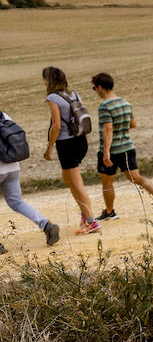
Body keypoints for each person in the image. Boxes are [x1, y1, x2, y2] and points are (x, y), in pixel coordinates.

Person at [91, 72, 153, 220]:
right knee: (136, 177)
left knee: (107, 181)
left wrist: (106, 151)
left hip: (112, 150)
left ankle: (109, 212)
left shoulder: (104, 106)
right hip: (127, 147)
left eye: (95, 88)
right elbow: (132, 124)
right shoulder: (125, 103)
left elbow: (108, 129)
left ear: (100, 87)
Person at [42, 65, 100, 235]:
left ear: (49, 80)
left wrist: (50, 147)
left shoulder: (52, 97)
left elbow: (56, 125)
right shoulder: (74, 94)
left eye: (44, 79)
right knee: (68, 178)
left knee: (76, 182)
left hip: (66, 144)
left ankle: (91, 221)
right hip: (81, 140)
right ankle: (85, 214)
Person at [0, 109, 61, 251]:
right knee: (17, 202)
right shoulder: (3, 115)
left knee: (16, 202)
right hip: (12, 166)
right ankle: (46, 225)